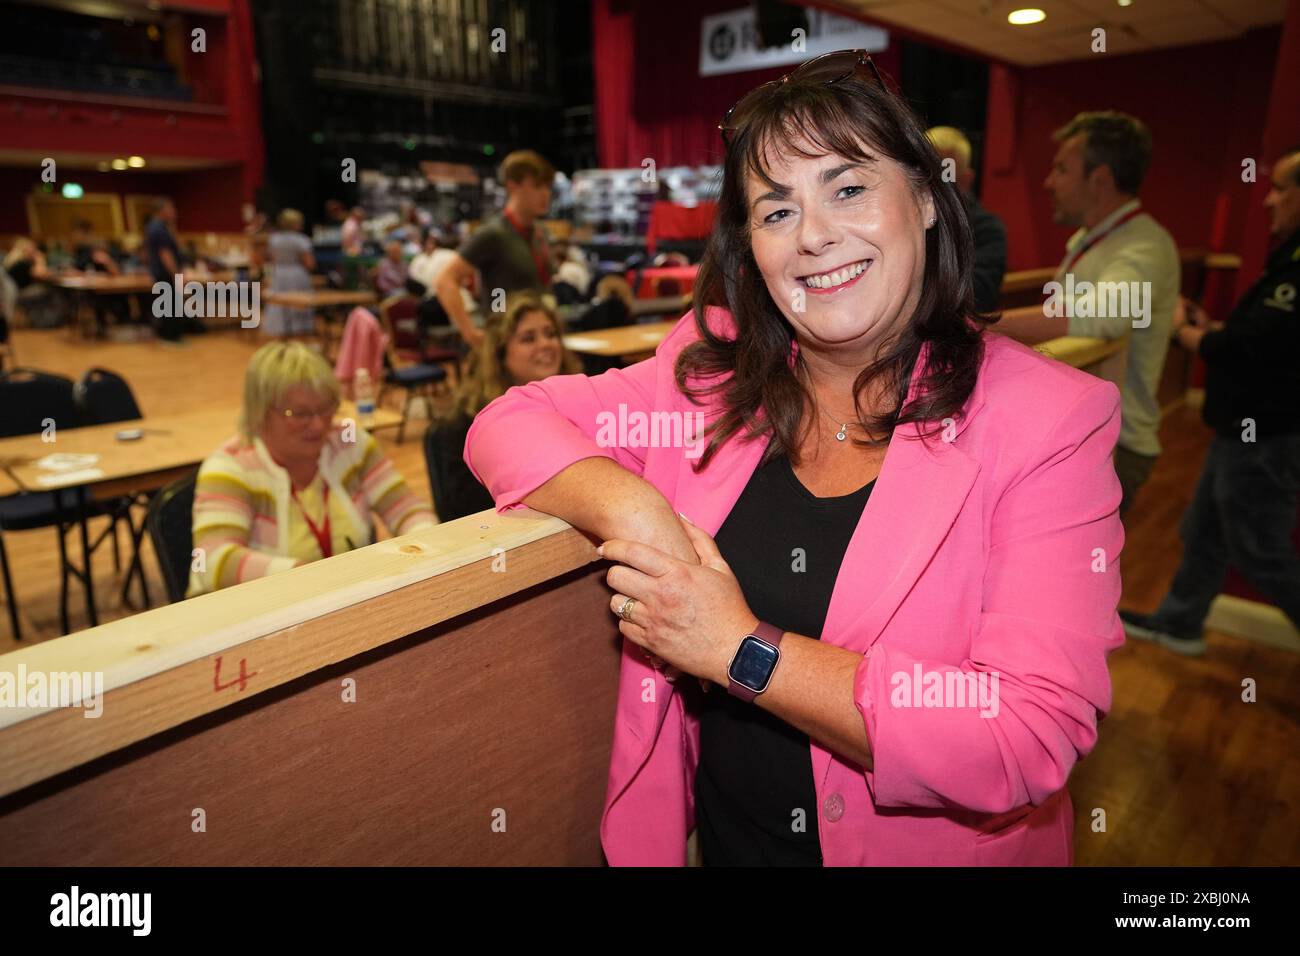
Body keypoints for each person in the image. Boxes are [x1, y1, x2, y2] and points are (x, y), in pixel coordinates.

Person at [464, 49, 1124, 866]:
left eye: (847, 189)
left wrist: (740, 649)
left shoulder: (1047, 420)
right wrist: (635, 509)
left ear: (925, 198)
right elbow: (506, 421)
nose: (813, 236)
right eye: (776, 211)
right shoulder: (713, 374)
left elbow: (1027, 733)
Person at [1121, 146, 1300, 656]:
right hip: (1241, 428)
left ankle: (1180, 618)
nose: (1268, 200)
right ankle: (1181, 621)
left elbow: (1250, 348)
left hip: (1268, 434)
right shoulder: (1285, 260)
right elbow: (1265, 336)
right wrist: (1212, 326)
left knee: (1259, 549)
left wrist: (1185, 332)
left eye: (1281, 188)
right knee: (1205, 530)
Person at [995, 111, 1179, 516]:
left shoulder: (1145, 245)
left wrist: (984, 325)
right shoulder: (1096, 239)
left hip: (1115, 445)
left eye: (1062, 169)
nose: (1049, 182)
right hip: (1089, 435)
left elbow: (1108, 314)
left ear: (1100, 180)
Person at [189, 342, 435, 596]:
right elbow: (212, 562)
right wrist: (310, 576)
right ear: (260, 412)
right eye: (299, 414)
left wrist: (419, 545)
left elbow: (409, 510)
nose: (318, 425)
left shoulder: (350, 444)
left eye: (325, 409)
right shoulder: (229, 468)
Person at [428, 295, 580, 521]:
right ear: (500, 354)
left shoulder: (577, 403)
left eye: (550, 334)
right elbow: (468, 514)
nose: (546, 344)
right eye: (528, 338)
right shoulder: (464, 428)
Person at [435, 150, 556, 350]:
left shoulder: (540, 233)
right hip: (504, 343)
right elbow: (445, 281)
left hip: (538, 337)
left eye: (547, 186)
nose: (545, 194)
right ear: (512, 186)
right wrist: (471, 332)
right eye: (537, 186)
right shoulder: (494, 234)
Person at [925, 126, 1006, 313]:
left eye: (944, 175)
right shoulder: (904, 219)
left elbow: (978, 296)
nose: (932, 184)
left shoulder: (987, 229)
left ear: (966, 180)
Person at [264, 209, 317, 338]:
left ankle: (282, 335)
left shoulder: (274, 239)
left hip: (279, 273)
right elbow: (309, 263)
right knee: (299, 305)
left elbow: (271, 258)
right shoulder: (301, 240)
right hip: (297, 275)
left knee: (280, 304)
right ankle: (299, 335)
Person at [143, 198, 186, 345]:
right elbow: (165, 254)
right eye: (170, 209)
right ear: (161, 210)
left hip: (162, 273)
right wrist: (176, 275)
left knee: (169, 304)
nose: (174, 212)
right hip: (165, 274)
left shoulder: (159, 227)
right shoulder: (158, 229)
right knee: (170, 306)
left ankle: (168, 336)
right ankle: (170, 337)